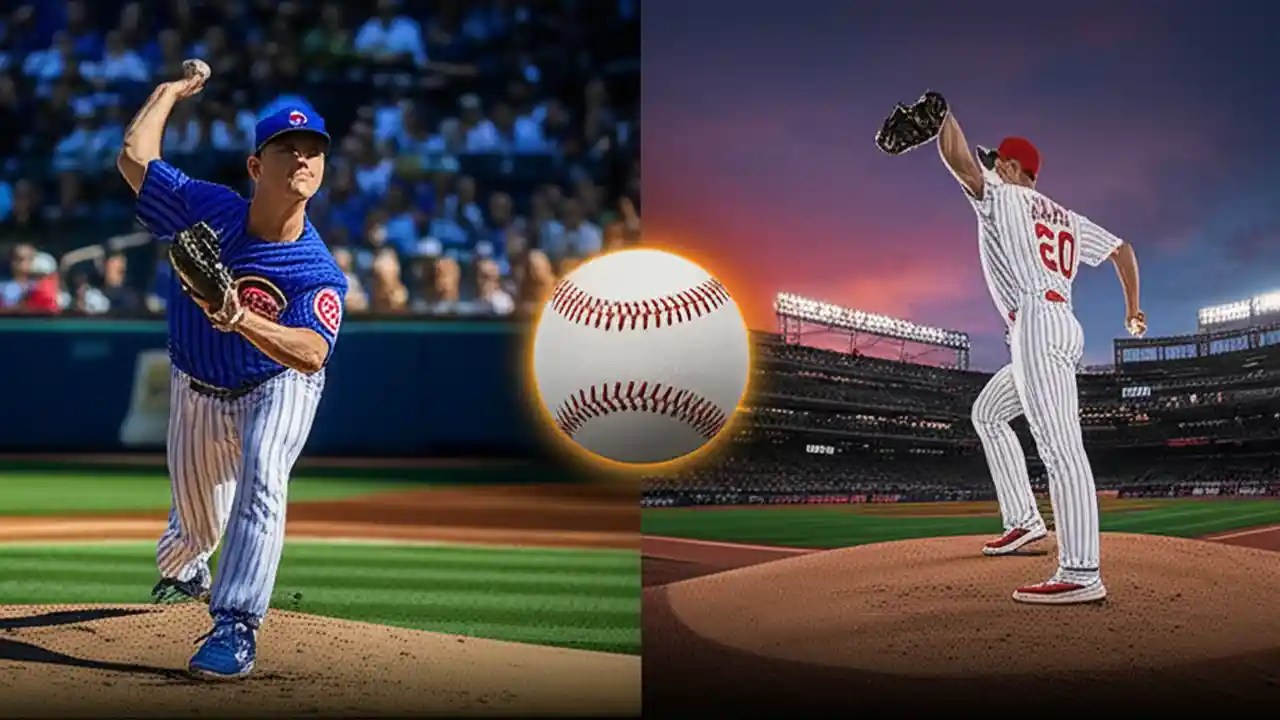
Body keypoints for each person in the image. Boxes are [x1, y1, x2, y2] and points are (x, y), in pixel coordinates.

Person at [115, 64, 347, 677]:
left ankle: (236, 625)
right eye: (286, 149)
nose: (302, 159)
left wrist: (237, 315)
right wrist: (170, 92)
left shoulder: (315, 269)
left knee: (264, 472)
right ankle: (186, 566)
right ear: (255, 167)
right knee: (193, 531)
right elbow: (134, 159)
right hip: (198, 389)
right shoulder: (206, 209)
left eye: (313, 151)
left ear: (323, 170)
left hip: (278, 383)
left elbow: (312, 351)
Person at [936, 106, 1143, 605]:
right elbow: (1123, 250)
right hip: (1062, 324)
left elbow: (962, 161)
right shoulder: (1065, 216)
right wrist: (1134, 310)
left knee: (1059, 448)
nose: (992, 169)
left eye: (998, 163)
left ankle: (1080, 571)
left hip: (1036, 321)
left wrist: (942, 117)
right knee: (987, 413)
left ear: (1009, 167)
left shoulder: (1003, 197)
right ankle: (1026, 521)